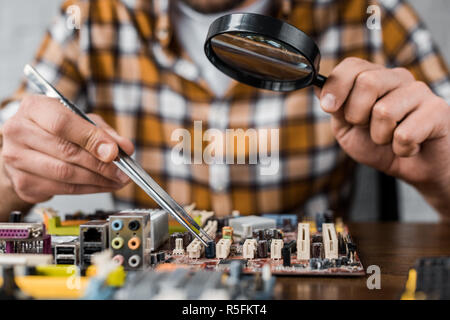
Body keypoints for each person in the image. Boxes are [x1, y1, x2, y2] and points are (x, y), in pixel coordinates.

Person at [0, 0, 448, 221]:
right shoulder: (91, 16)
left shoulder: (374, 15)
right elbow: (13, 150)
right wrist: (12, 173)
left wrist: (443, 173)